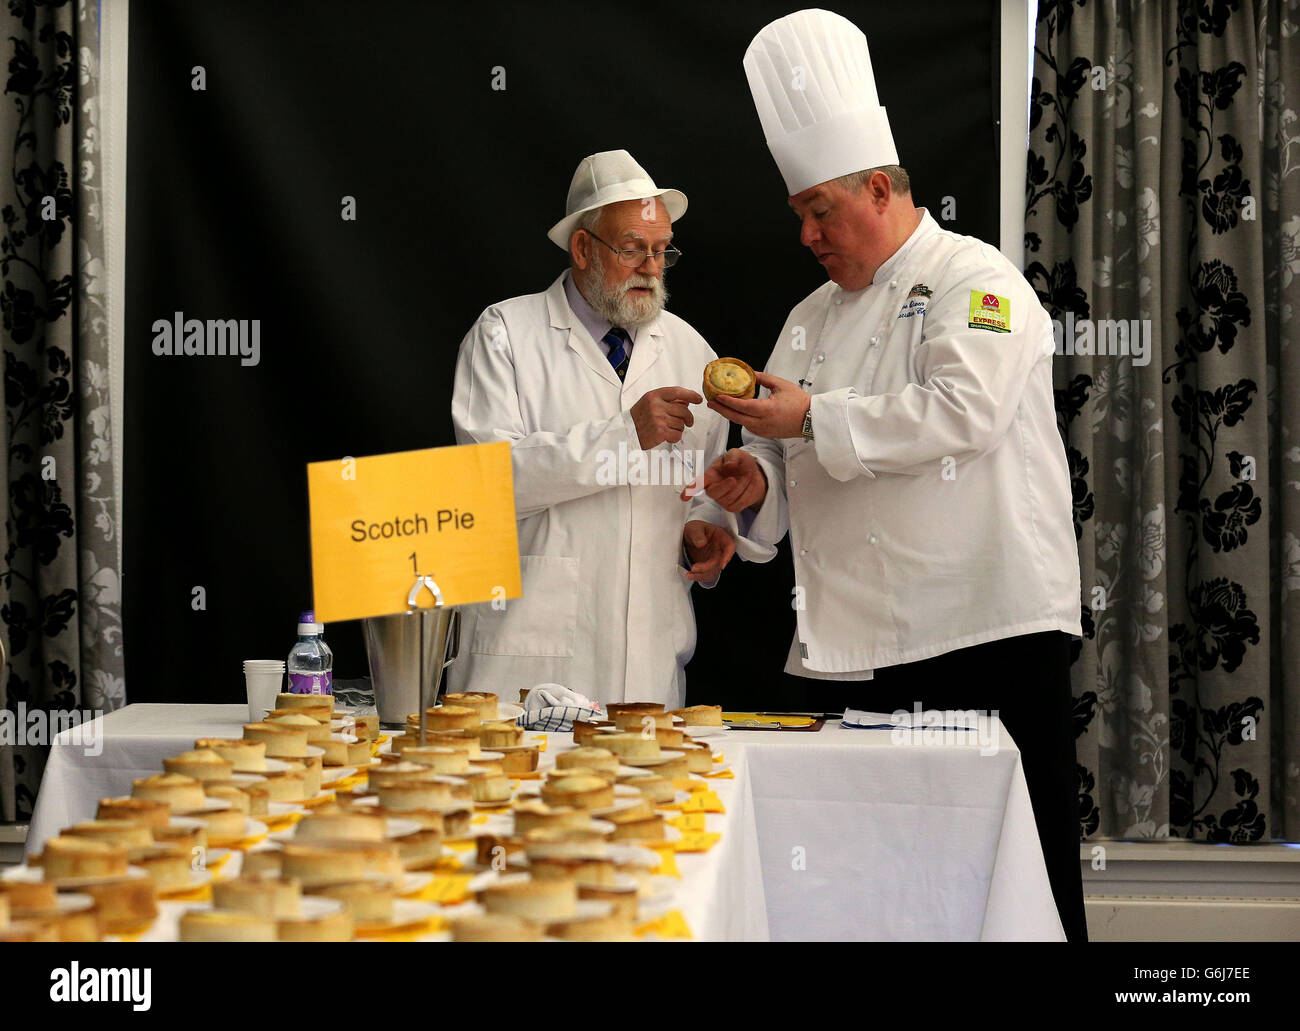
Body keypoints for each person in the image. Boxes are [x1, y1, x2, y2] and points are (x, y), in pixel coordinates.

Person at [687, 10, 1087, 940]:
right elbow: (790, 466)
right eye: (800, 217)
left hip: (984, 631)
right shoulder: (806, 319)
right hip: (857, 648)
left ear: (879, 187)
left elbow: (963, 414)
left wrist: (812, 418)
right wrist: (751, 490)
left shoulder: (974, 279)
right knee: (864, 889)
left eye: (820, 212)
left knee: (1016, 884)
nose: (809, 236)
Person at [449, 149, 735, 709]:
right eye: (632, 249)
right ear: (583, 249)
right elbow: (484, 487)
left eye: (661, 251)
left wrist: (706, 526)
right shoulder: (505, 333)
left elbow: (706, 484)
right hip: (525, 663)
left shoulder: (689, 348)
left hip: (647, 666)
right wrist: (625, 437)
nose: (652, 267)